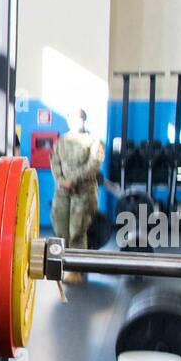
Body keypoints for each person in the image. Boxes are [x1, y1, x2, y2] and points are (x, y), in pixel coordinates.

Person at [49, 108, 104, 284]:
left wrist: (73, 179)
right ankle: (61, 266)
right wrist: (61, 180)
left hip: (83, 192)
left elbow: (93, 164)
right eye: (72, 118)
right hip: (63, 191)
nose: (76, 121)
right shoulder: (61, 142)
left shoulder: (93, 142)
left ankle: (76, 271)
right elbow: (55, 162)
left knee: (77, 231)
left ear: (84, 120)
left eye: (79, 118)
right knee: (60, 227)